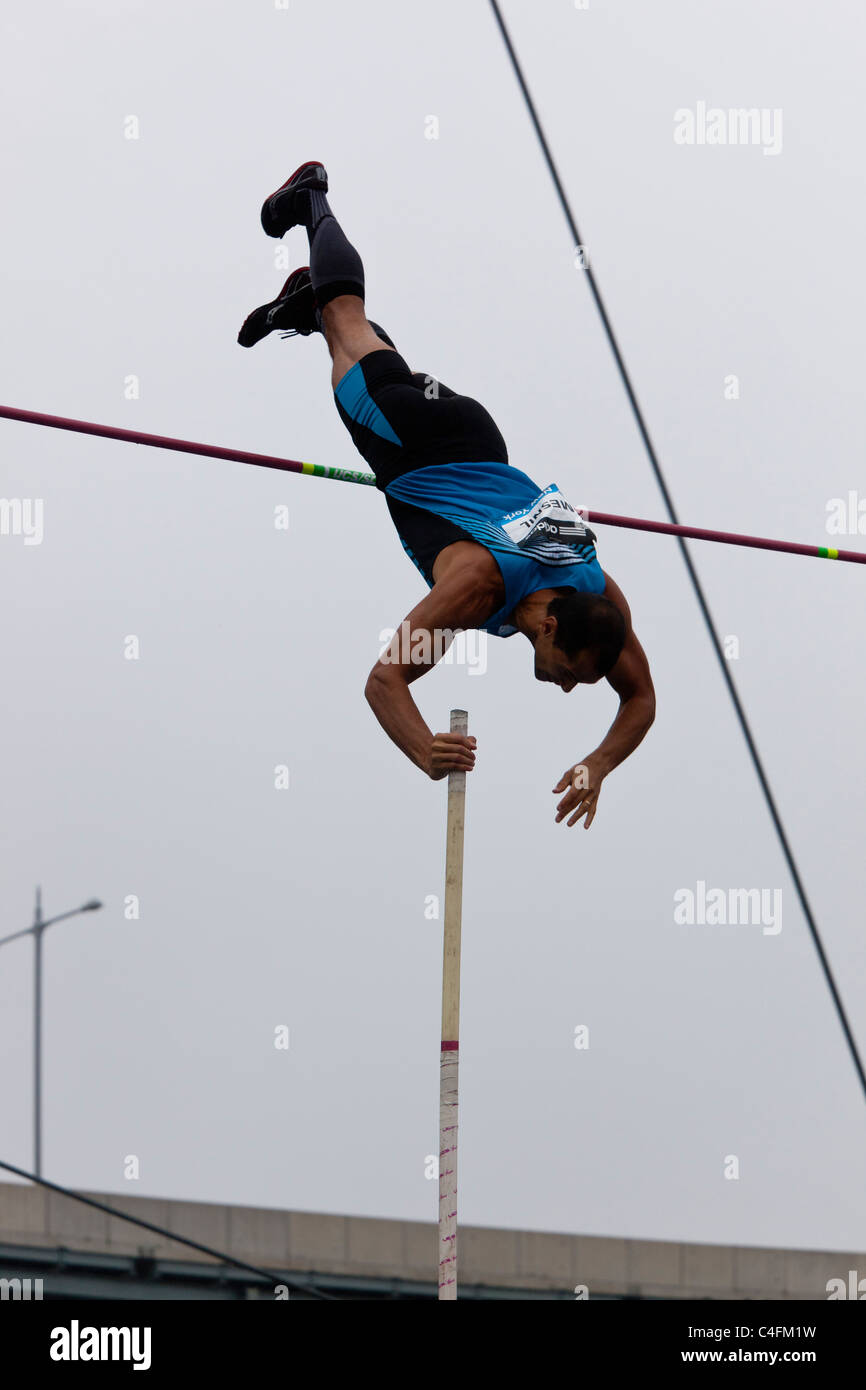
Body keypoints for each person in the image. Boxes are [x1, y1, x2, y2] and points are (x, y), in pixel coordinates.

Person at [239, 162, 655, 827]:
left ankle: (308, 306)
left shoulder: (596, 593)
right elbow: (385, 680)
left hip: (479, 439)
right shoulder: (480, 589)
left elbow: (641, 701)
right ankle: (310, 200)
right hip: (414, 449)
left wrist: (598, 763)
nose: (574, 685)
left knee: (370, 355)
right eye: (573, 671)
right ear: (549, 627)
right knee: (352, 327)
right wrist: (423, 749)